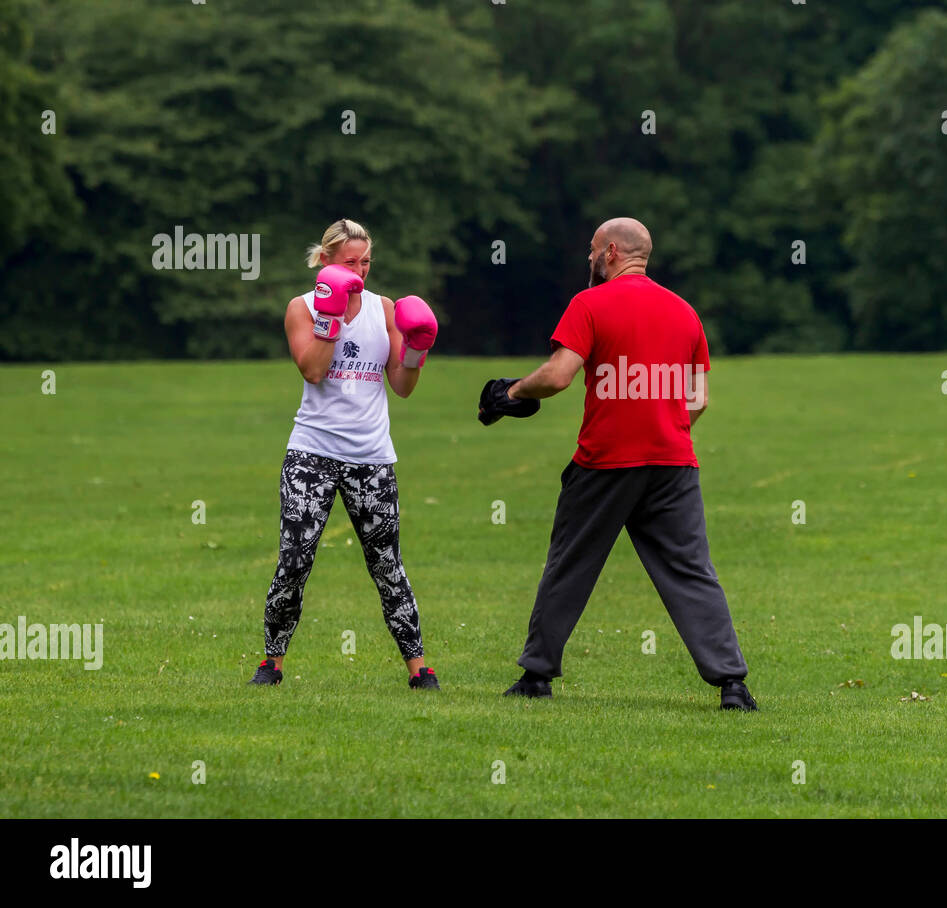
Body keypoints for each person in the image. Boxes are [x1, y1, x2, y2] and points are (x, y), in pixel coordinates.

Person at [479, 217, 757, 710]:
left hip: (605, 462)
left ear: (610, 252)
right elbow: (699, 399)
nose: (588, 259)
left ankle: (537, 676)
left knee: (570, 563)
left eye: (591, 250)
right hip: (673, 463)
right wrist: (663, 424)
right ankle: (732, 684)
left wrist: (512, 392)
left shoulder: (589, 305)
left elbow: (560, 376)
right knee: (691, 570)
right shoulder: (685, 313)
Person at [248, 218, 442, 690]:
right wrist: (330, 314)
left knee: (387, 564)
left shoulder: (386, 309)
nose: (361, 269)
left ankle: (420, 672)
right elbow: (313, 370)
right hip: (311, 453)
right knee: (294, 562)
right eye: (351, 262)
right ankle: (271, 663)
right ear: (328, 261)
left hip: (372, 456)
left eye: (366, 261)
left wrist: (417, 350)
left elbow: (402, 386)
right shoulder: (302, 307)